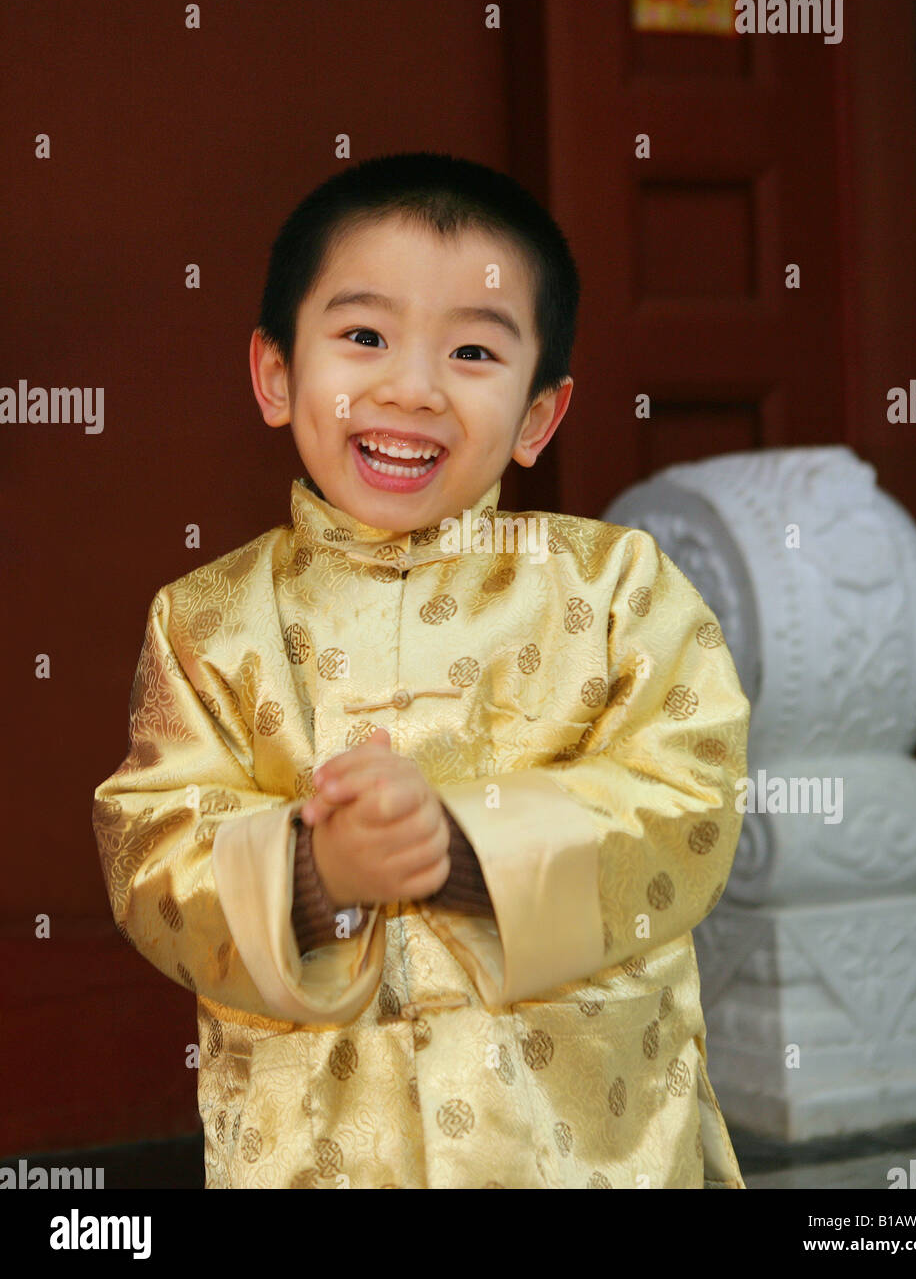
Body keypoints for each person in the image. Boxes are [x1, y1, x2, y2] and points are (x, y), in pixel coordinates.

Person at [92, 151, 751, 1189]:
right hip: (314, 1144)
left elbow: (687, 804)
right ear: (275, 374)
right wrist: (318, 874)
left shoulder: (615, 589)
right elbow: (151, 851)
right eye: (363, 336)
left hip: (574, 1138)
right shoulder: (209, 621)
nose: (411, 388)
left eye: (474, 354)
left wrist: (463, 843)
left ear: (538, 414)